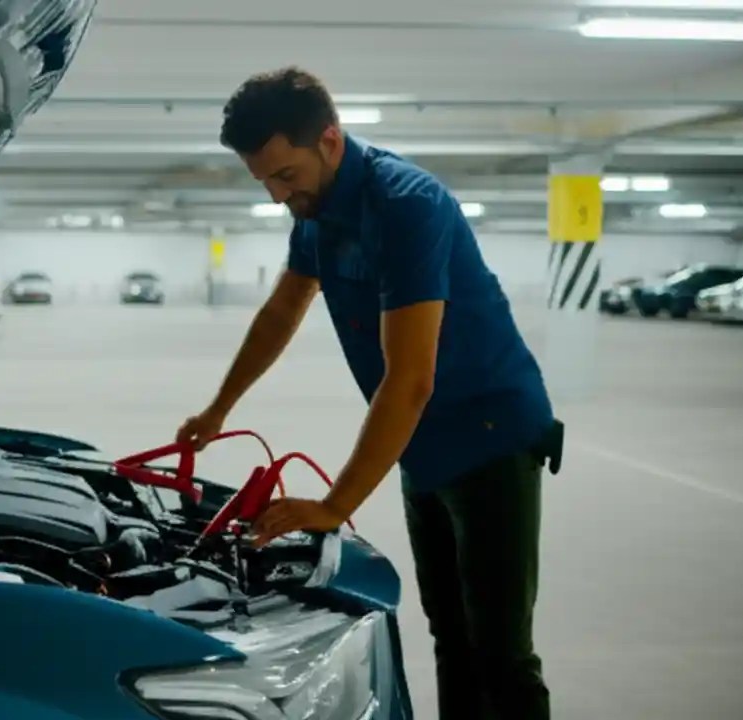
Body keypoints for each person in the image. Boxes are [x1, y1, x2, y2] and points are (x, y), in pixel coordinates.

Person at [176, 66, 556, 720]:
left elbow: (409, 380)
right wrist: (218, 409)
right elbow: (282, 310)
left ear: (328, 140)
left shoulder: (408, 205)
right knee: (451, 635)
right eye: (263, 180)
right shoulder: (315, 209)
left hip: (492, 439)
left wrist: (333, 505)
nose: (275, 196)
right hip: (424, 447)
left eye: (285, 175)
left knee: (500, 650)